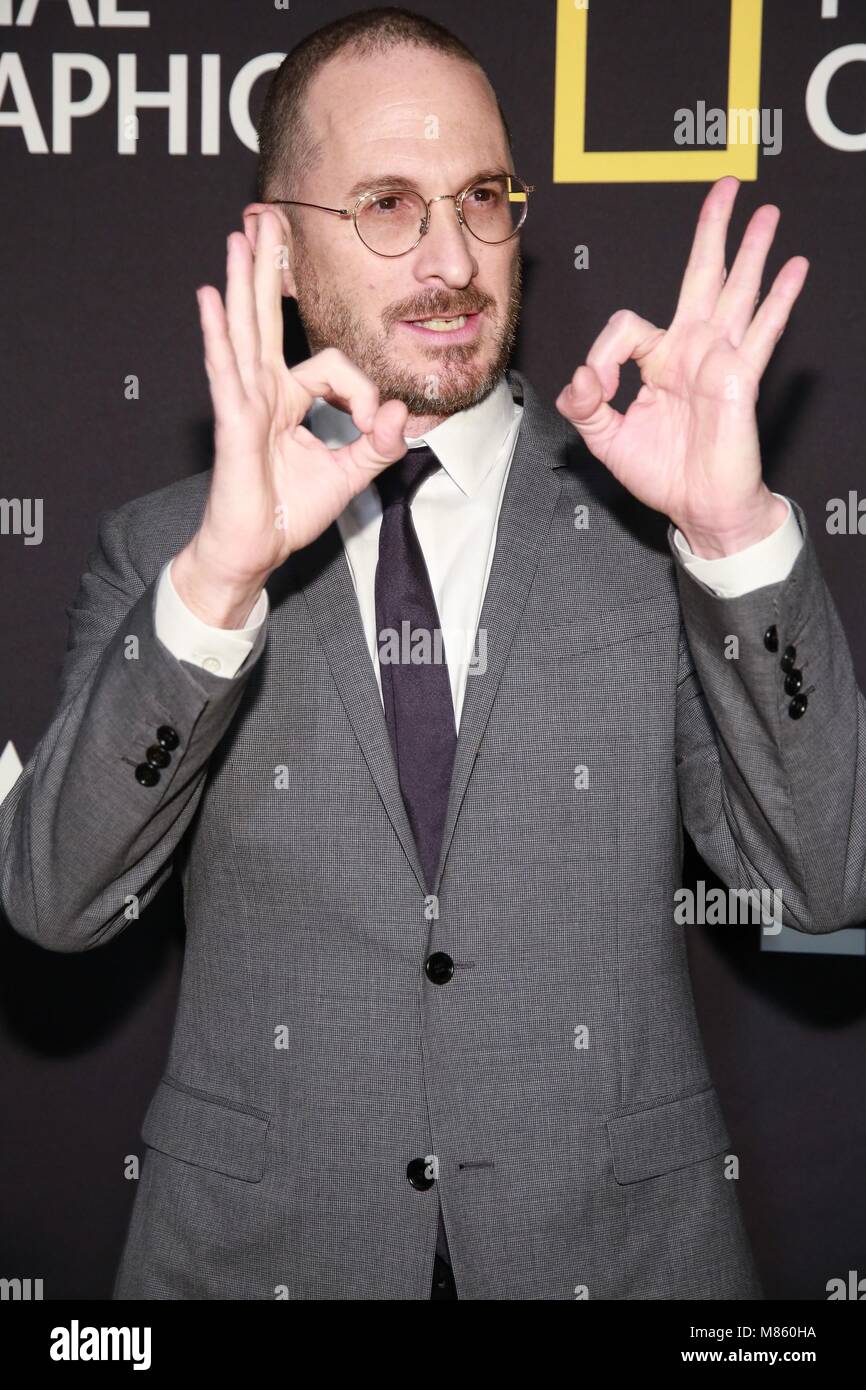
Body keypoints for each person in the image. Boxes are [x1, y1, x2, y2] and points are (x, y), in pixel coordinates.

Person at [1, 6, 863, 1301]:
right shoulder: (167, 550)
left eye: (481, 197)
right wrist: (218, 583)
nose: (454, 257)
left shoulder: (652, 520)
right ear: (278, 251)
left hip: (623, 1264)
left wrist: (734, 535)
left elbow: (821, 886)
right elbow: (56, 903)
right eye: (390, 204)